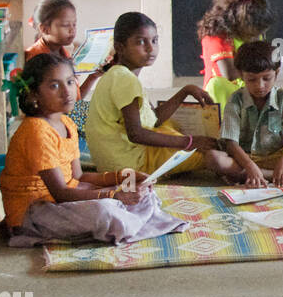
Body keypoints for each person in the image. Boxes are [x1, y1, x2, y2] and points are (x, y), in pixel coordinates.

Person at [0, 53, 183, 247]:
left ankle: (127, 221)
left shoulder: (66, 122)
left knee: (142, 194)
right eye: (54, 86)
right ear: (34, 94)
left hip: (64, 199)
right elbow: (61, 193)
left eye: (70, 82)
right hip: (34, 212)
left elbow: (79, 177)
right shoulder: (36, 131)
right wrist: (112, 195)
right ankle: (126, 222)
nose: (67, 92)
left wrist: (122, 178)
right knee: (104, 212)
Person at [86, 12, 218, 177]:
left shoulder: (118, 75)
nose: (151, 48)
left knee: (169, 126)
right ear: (120, 47)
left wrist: (186, 91)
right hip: (130, 166)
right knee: (211, 155)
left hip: (116, 162)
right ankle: (252, 175)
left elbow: (153, 120)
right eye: (141, 42)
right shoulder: (124, 79)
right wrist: (189, 142)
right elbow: (136, 133)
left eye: (154, 40)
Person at [207, 41, 283, 185]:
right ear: (242, 75)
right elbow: (231, 143)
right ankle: (274, 175)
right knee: (213, 158)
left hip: (276, 157)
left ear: (277, 73)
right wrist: (249, 166)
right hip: (243, 159)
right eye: (252, 79)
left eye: (266, 78)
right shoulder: (235, 100)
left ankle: (258, 175)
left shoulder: (282, 97)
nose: (260, 86)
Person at [195, 0, 275, 108]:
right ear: (241, 21)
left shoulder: (251, 33)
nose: (259, 35)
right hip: (225, 92)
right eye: (257, 30)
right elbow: (229, 74)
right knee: (219, 85)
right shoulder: (216, 36)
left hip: (252, 84)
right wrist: (264, 74)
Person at [24, 0, 105, 99]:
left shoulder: (62, 53)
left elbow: (75, 100)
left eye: (74, 24)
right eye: (66, 25)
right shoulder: (36, 59)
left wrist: (92, 77)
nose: (72, 30)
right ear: (45, 29)